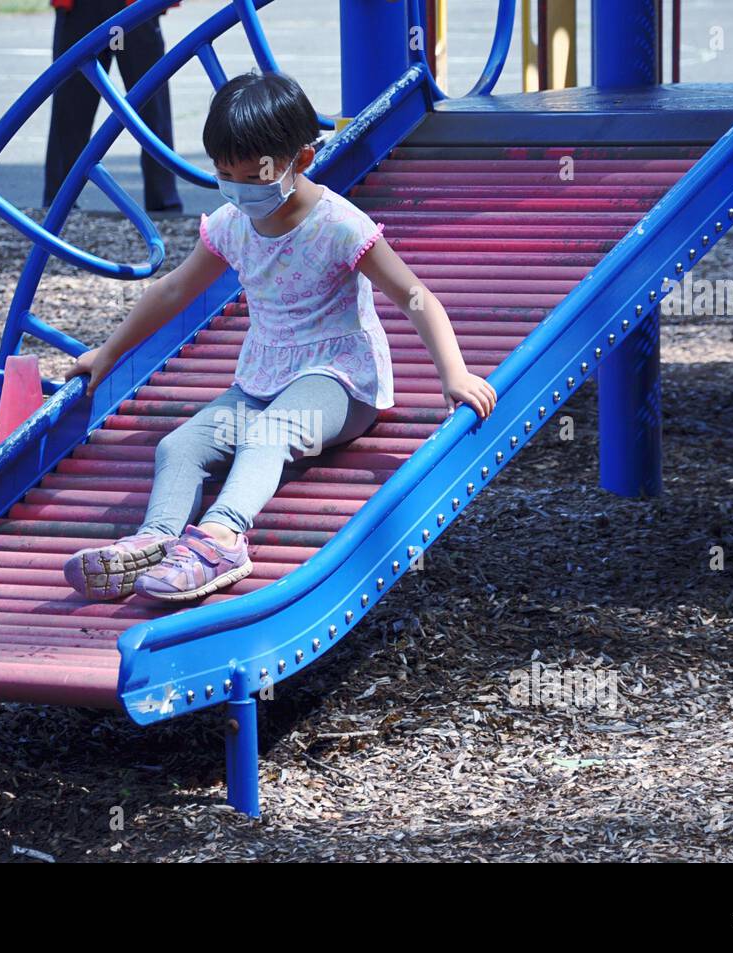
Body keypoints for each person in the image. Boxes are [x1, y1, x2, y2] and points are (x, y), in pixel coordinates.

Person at [63, 70, 497, 603]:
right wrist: (108, 352)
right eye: (225, 175)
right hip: (263, 378)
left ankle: (223, 536)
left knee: (269, 433)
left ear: (302, 161)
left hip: (339, 380)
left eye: (252, 178)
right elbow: (175, 290)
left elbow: (415, 296)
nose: (239, 190)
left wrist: (453, 373)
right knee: (180, 446)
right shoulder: (232, 223)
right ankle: (155, 541)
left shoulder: (339, 226)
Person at [44, 0, 183, 213]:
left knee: (152, 111)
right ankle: (58, 205)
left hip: (134, 5)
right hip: (81, 9)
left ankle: (164, 205)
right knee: (69, 109)